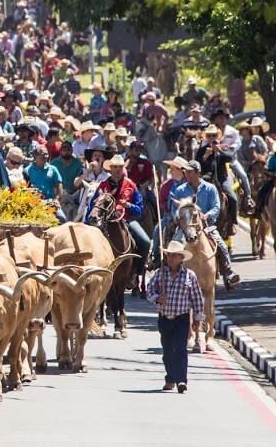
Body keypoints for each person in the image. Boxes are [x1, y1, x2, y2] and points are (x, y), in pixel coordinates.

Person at [171, 160, 240, 290]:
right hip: (186, 227)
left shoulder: (210, 188)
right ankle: (170, 274)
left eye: (190, 172)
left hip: (206, 226)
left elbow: (216, 207)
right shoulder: (180, 190)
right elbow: (174, 209)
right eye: (186, 172)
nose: (187, 175)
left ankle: (228, 273)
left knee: (222, 245)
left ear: (198, 173)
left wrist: (206, 216)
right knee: (173, 245)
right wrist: (178, 218)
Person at [146, 240, 205, 394]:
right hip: (165, 318)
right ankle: (170, 378)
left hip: (182, 318)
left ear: (181, 258)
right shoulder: (160, 274)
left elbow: (197, 297)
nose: (170, 259)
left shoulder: (189, 276)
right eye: (168, 256)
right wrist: (158, 298)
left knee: (180, 349)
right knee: (167, 351)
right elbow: (149, 289)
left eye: (174, 256)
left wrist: (198, 318)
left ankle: (181, 381)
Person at [88, 154, 152, 286]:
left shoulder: (131, 186)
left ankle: (136, 272)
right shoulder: (103, 186)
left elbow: (139, 209)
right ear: (110, 168)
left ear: (123, 168)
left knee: (145, 242)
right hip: (105, 223)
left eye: (120, 167)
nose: (117, 169)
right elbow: (92, 206)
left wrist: (128, 205)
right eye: (115, 167)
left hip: (127, 220)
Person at [195, 125, 239, 222]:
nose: (211, 138)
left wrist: (219, 150)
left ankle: (232, 221)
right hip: (206, 179)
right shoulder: (202, 150)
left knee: (233, 198)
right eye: (209, 136)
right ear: (206, 137)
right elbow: (196, 164)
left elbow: (230, 158)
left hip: (221, 179)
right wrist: (205, 156)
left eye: (214, 135)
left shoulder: (223, 148)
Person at [24, 147, 66, 223]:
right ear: (35, 156)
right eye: (43, 154)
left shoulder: (52, 169)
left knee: (62, 219)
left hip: (50, 203)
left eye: (46, 154)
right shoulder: (27, 170)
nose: (45, 156)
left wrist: (57, 200)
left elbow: (59, 186)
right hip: (34, 204)